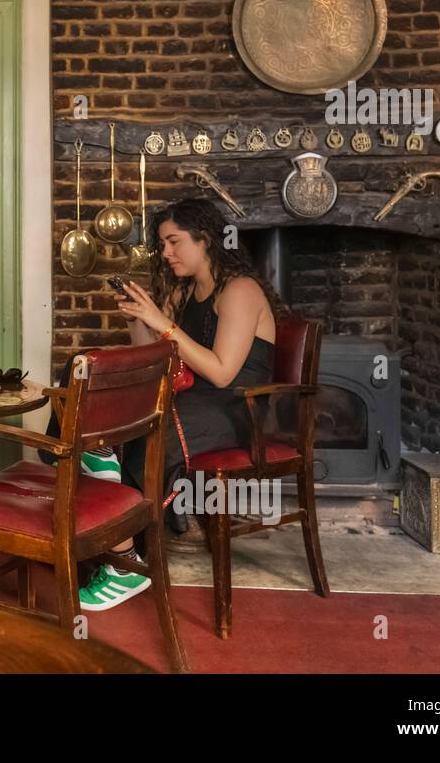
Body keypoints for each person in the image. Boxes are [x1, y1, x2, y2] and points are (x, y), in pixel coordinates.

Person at [48, 197, 283, 612]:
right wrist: (137, 319)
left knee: (150, 426)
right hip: (190, 397)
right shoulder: (187, 291)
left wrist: (164, 323)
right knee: (81, 370)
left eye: (174, 242)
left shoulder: (241, 290)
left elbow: (223, 372)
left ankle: (122, 562)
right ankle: (102, 483)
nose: (166, 253)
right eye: (162, 244)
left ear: (205, 240)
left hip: (233, 408)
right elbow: (152, 354)